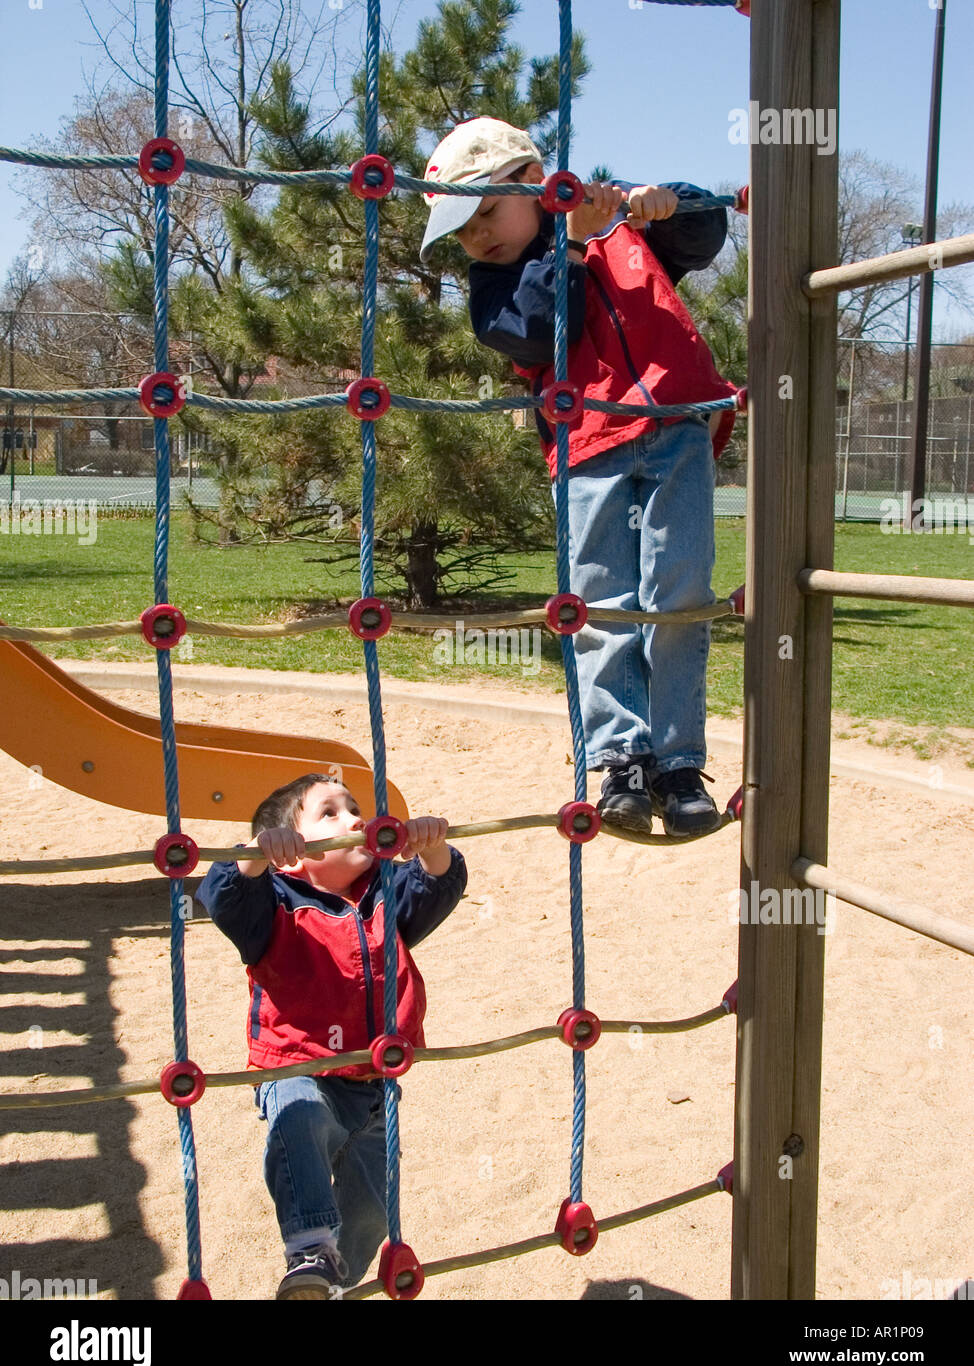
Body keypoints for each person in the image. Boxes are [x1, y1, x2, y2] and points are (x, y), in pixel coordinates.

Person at [420, 116, 738, 838]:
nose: (475, 238)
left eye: (483, 214)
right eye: (459, 231)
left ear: (534, 183)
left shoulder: (612, 219)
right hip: (589, 444)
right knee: (602, 600)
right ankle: (623, 759)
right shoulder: (497, 284)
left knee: (680, 591)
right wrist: (566, 242)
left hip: (676, 428)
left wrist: (665, 201)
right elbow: (538, 331)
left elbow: (703, 233)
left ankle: (680, 764)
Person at [195, 772, 467, 1299]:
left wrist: (434, 848)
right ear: (293, 854)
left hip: (372, 1084)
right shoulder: (271, 907)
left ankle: (328, 1279)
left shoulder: (385, 894)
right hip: (298, 1067)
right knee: (300, 1122)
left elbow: (440, 885)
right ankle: (309, 1248)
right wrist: (257, 852)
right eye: (331, 813)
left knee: (369, 1211)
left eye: (354, 807)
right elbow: (222, 892)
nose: (354, 820)